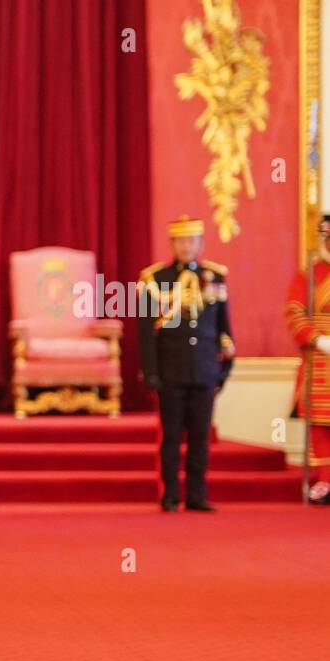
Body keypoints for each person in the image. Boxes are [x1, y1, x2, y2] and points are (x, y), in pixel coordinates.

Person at [136, 215, 235, 512]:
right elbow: (145, 332)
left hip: (204, 370)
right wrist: (151, 371)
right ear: (172, 244)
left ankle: (196, 495)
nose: (186, 246)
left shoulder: (214, 277)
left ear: (200, 244)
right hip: (171, 371)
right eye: (180, 241)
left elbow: (223, 328)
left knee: (200, 438)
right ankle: (170, 495)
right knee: (171, 437)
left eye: (192, 241)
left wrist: (224, 369)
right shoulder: (155, 280)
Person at [284, 215, 330, 503]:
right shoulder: (309, 275)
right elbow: (294, 313)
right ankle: (325, 481)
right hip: (321, 359)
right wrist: (318, 339)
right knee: (322, 424)